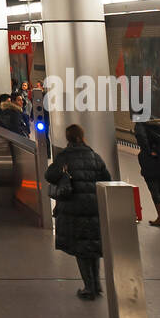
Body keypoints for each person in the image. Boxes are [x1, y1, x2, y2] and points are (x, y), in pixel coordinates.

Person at [45, 124, 111, 300]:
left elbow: (49, 176)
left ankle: (88, 287)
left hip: (73, 208)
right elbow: (107, 179)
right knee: (92, 246)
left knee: (81, 248)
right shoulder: (94, 156)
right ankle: (96, 284)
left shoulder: (64, 157)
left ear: (67, 138)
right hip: (93, 207)